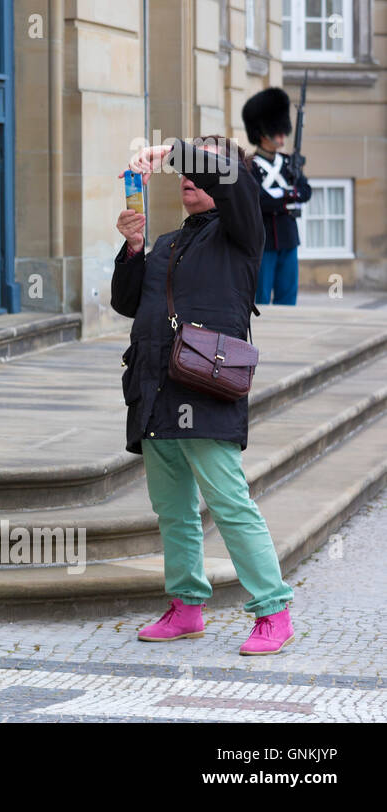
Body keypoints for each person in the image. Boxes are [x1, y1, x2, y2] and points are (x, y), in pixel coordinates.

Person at [111, 136, 294, 655]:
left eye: (203, 167)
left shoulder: (242, 230)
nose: (188, 177)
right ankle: (187, 607)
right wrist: (132, 248)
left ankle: (273, 610)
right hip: (154, 388)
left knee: (230, 502)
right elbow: (127, 302)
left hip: (207, 387)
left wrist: (171, 147)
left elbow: (231, 181)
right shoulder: (169, 242)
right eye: (185, 170)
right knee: (172, 509)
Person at [242, 87, 311, 305]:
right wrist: (287, 196)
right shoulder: (249, 166)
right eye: (277, 131)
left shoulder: (289, 163)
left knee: (288, 298)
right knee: (260, 298)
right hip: (264, 242)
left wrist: (285, 195)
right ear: (263, 133)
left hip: (288, 238)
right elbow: (258, 201)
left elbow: (306, 191)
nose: (282, 136)